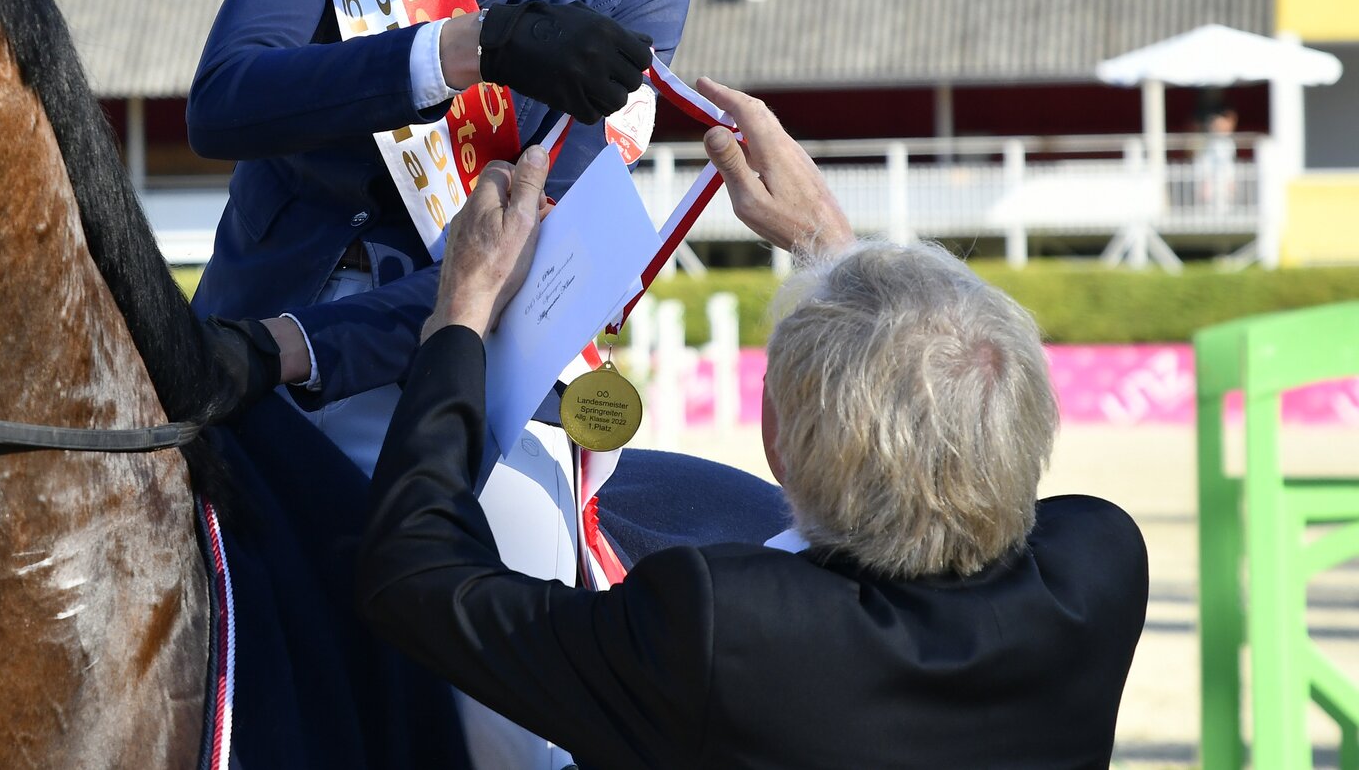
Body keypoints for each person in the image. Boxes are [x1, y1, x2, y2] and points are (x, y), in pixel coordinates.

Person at [192, 0, 739, 768]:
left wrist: (312, 348)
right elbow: (225, 103)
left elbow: (528, 238)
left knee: (521, 726)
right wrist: (463, 48)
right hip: (233, 349)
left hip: (467, 373)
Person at [356, 77, 1151, 770]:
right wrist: (831, 248)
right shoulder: (1100, 567)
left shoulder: (723, 625)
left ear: (775, 433)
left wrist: (462, 306)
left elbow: (416, 577)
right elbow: (967, 425)